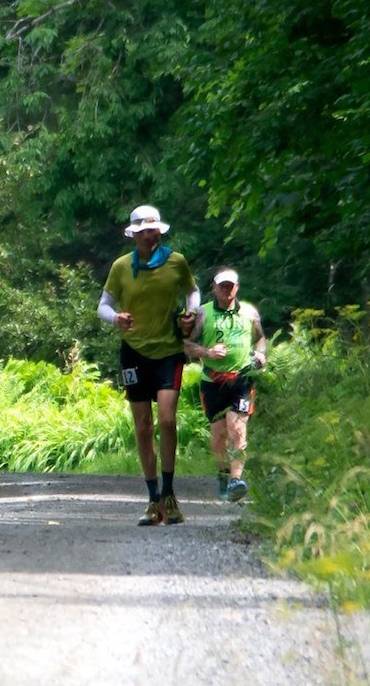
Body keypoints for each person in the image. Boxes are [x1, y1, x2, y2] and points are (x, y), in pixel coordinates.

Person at [97, 204, 199, 526]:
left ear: (160, 231)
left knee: (167, 420)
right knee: (142, 426)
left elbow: (193, 293)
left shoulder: (176, 262)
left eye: (152, 230)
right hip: (134, 352)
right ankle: (153, 498)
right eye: (141, 231)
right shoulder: (122, 267)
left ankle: (170, 494)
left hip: (169, 350)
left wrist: (190, 315)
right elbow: (103, 305)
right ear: (133, 235)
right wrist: (116, 318)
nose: (147, 235)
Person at [187, 268, 267, 503]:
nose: (226, 289)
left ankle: (236, 481)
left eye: (230, 285)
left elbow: (260, 338)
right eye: (222, 286)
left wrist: (261, 355)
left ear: (237, 287)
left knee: (238, 429)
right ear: (214, 288)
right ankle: (223, 474)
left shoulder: (250, 313)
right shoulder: (204, 314)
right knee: (219, 434)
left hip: (241, 380)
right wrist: (207, 352)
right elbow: (187, 345)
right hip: (213, 381)